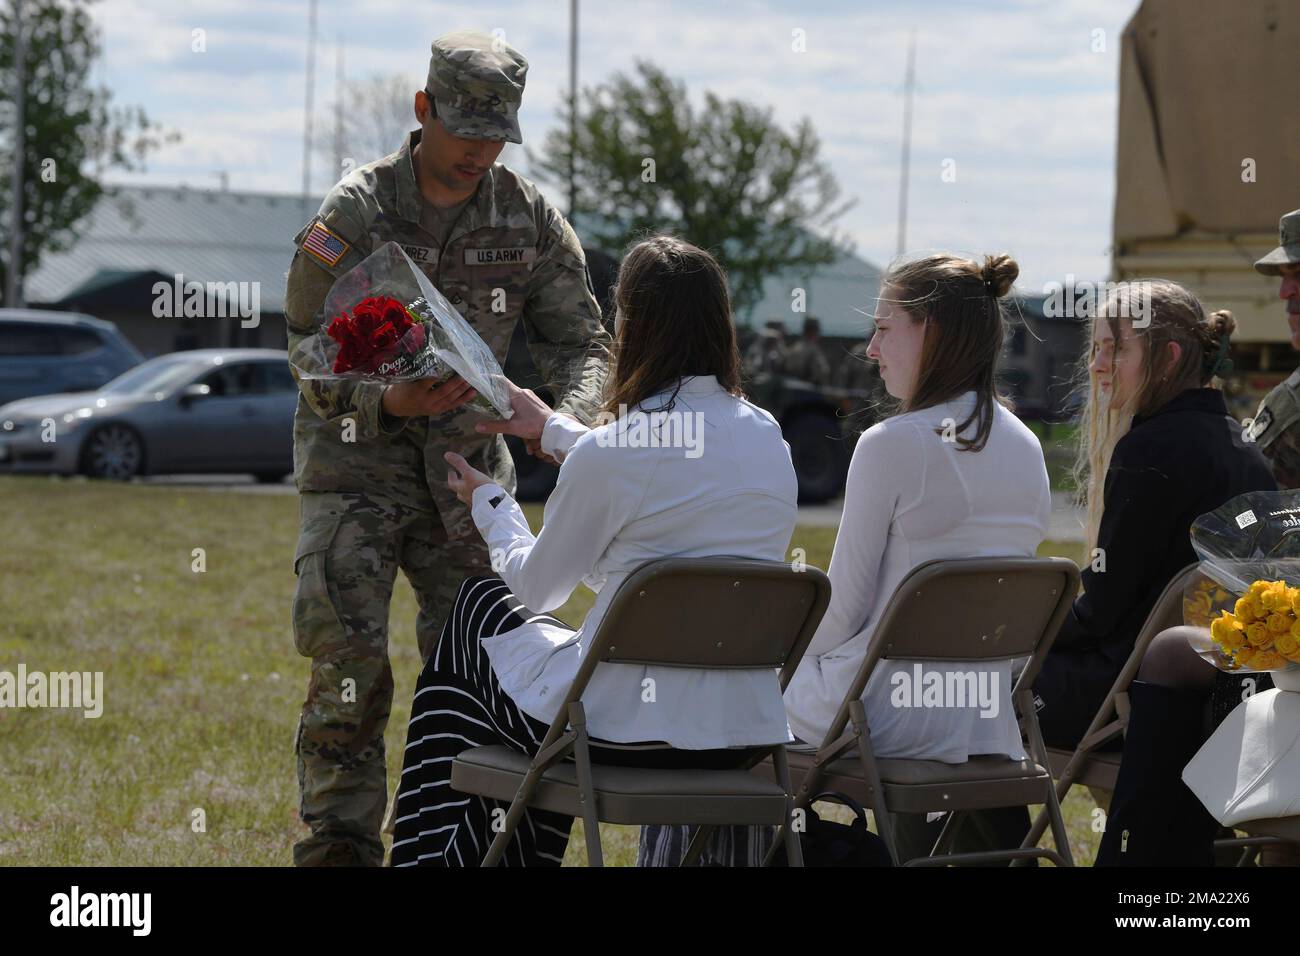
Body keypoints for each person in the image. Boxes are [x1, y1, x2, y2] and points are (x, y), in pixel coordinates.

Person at [285, 30, 611, 867]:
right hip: (357, 471)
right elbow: (304, 348)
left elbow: (584, 344)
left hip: (470, 483)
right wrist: (385, 396)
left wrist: (563, 426)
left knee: (485, 669)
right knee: (349, 673)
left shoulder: (528, 216)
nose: (479, 152)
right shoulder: (353, 212)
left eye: (496, 135)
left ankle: (459, 849)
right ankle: (340, 849)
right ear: (423, 110)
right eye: (465, 131)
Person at [388, 236, 800, 866]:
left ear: (629, 327)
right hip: (741, 731)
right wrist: (554, 427)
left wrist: (491, 507)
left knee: (475, 616)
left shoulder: (615, 453)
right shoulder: (767, 436)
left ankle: (433, 854)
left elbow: (537, 590)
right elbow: (668, 475)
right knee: (491, 704)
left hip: (621, 732)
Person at [642, 251, 1052, 866]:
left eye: (884, 328)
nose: (870, 349)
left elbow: (842, 610)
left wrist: (766, 662)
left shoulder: (891, 444)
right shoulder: (1027, 446)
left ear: (931, 331)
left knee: (703, 707)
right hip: (981, 716)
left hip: (881, 713)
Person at [1089, 233, 1300, 866]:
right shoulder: (1246, 429)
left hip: (1232, 673)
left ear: (1166, 357)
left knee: (992, 697)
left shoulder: (1154, 447)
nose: (1286, 292)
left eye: (1114, 350)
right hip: (1258, 669)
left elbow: (1105, 609)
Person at [1246, 208, 1300, 487]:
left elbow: (1259, 509)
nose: (1284, 292)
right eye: (1283, 276)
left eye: (1299, 274)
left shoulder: (1290, 407)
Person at [783, 317, 832, 386]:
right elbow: (822, 373)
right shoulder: (812, 350)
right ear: (814, 331)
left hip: (791, 390)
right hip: (806, 391)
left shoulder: (794, 348)